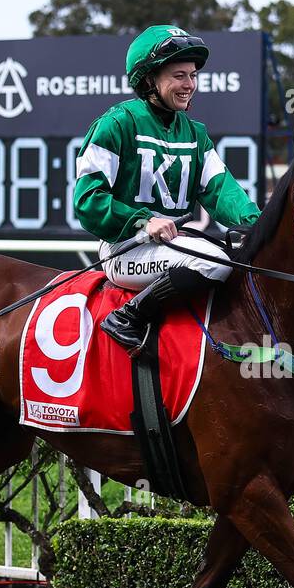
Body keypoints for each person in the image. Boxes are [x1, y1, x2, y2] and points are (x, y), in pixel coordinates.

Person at [72, 24, 261, 355]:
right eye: (179, 75)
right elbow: (88, 200)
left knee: (239, 261)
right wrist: (143, 222)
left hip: (172, 249)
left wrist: (259, 224)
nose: (189, 84)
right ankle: (127, 317)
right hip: (125, 249)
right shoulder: (117, 124)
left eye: (192, 75)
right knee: (214, 263)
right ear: (149, 80)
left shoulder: (194, 132)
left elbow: (221, 190)